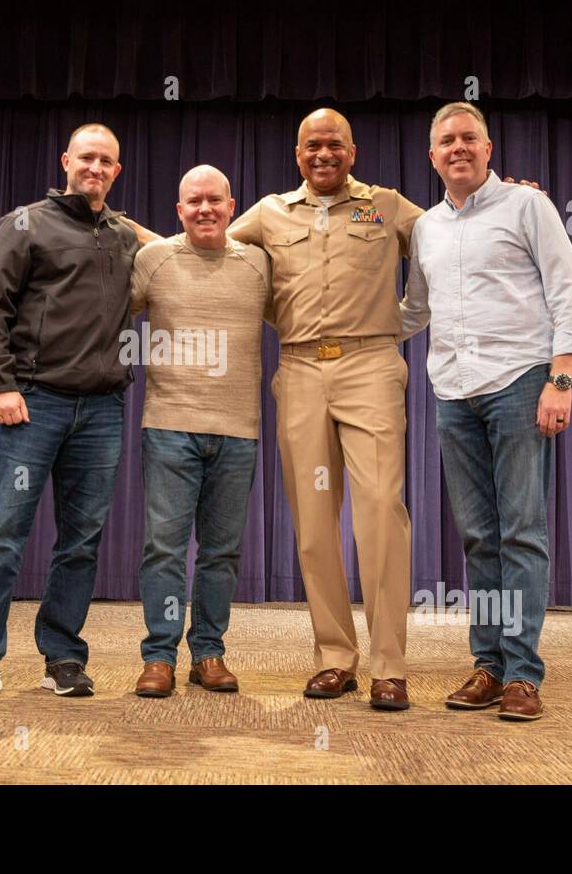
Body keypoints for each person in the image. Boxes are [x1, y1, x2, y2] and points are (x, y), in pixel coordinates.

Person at [129, 109, 427, 710]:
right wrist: (119, 230)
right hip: (299, 370)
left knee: (379, 512)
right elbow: (201, 238)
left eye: (334, 144)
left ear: (352, 150)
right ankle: (335, 659)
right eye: (312, 145)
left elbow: (454, 233)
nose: (323, 154)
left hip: (370, 364)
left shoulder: (388, 206)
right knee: (314, 523)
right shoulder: (268, 213)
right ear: (297, 154)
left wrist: (509, 202)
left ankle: (389, 666)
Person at [0, 123, 138, 702]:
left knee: (81, 542)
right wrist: (1, 383)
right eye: (86, 157)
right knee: (1, 535)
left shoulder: (125, 238)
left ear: (117, 171)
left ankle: (63, 657)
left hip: (102, 412)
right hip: (30, 404)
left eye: (107, 161)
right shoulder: (24, 224)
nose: (95, 167)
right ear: (66, 160)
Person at [401, 102, 572, 721]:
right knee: (479, 537)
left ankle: (522, 674)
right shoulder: (426, 227)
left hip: (519, 383)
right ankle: (486, 666)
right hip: (452, 393)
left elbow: (571, 291)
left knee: (521, 532)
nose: (458, 148)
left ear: (488, 148)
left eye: (469, 138)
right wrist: (347, 330)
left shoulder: (527, 206)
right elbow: (414, 310)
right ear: (432, 156)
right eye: (446, 141)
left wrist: (560, 379)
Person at [126, 166, 272, 698]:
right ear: (179, 210)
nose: (205, 208)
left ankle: (208, 652)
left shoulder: (257, 263)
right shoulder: (153, 259)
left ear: (233, 206)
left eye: (215, 199)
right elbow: (104, 309)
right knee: (163, 548)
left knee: (221, 552)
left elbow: (307, 315)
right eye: (194, 201)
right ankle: (160, 656)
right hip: (169, 428)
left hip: (238, 432)